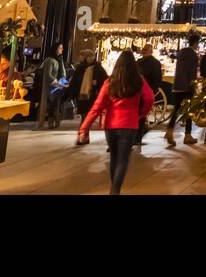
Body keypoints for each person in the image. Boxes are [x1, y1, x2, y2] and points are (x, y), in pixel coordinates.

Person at [78, 49, 153, 195]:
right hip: (130, 125)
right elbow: (149, 98)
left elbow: (97, 106)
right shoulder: (139, 80)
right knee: (123, 160)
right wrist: (141, 114)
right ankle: (115, 190)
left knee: (114, 157)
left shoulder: (109, 82)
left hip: (111, 125)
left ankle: (114, 188)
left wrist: (84, 127)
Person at [165, 31, 201, 147]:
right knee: (189, 111)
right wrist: (194, 85)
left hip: (177, 86)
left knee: (176, 109)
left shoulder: (181, 53)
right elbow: (192, 73)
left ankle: (170, 129)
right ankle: (187, 135)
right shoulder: (194, 55)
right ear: (196, 43)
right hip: (187, 87)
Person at [36, 42, 69, 128]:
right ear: (55, 49)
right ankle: (51, 120)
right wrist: (57, 83)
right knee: (53, 101)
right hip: (52, 85)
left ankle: (56, 118)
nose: (62, 49)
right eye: (60, 48)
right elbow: (48, 74)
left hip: (60, 83)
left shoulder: (60, 59)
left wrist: (63, 82)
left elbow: (63, 72)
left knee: (59, 101)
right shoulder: (50, 60)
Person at [68, 51, 107, 121]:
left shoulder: (97, 67)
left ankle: (85, 122)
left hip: (92, 92)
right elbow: (75, 80)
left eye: (92, 56)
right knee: (84, 110)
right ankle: (84, 121)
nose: (91, 58)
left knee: (89, 109)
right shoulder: (80, 68)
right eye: (89, 56)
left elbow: (104, 78)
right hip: (81, 92)